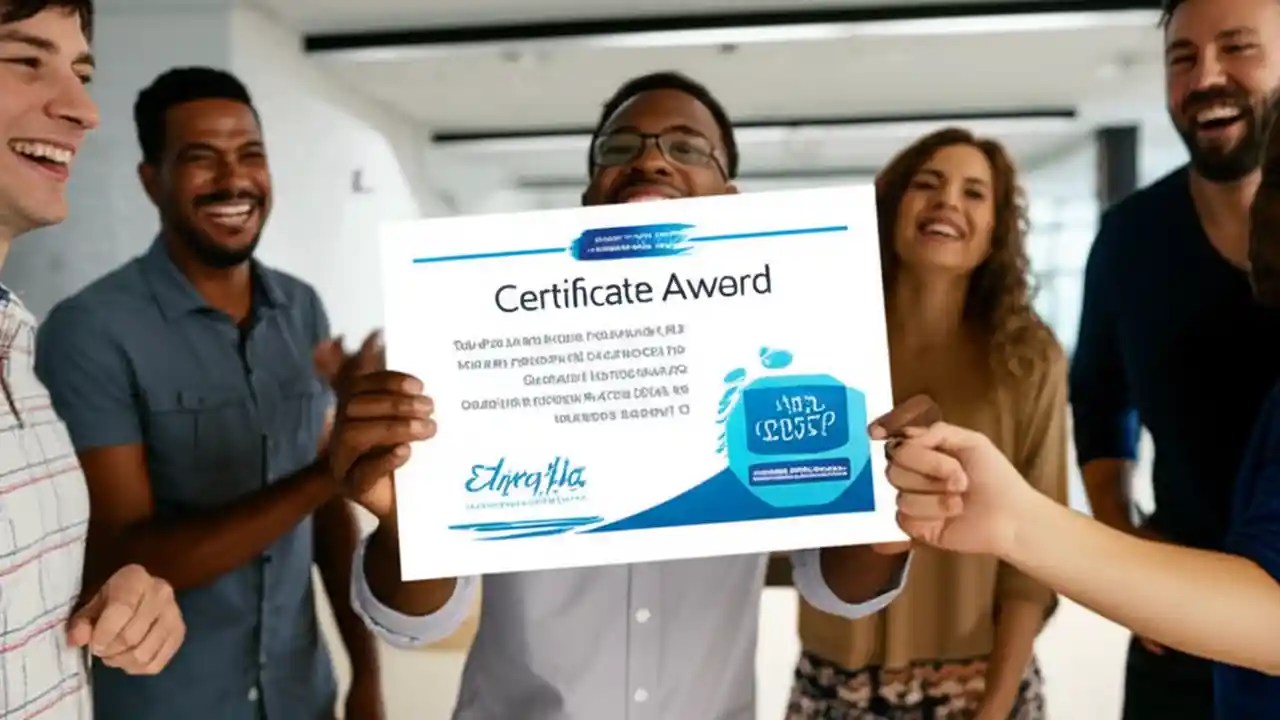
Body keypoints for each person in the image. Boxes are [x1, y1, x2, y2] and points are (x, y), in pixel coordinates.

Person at [344, 71, 914, 720]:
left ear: (730, 198)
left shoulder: (788, 353)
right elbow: (417, 621)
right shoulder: (490, 349)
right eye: (620, 148)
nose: (648, 159)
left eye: (687, 147)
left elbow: (838, 589)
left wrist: (886, 511)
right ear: (591, 194)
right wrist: (403, 525)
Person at [33, 67, 384, 720]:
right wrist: (327, 473)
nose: (234, 179)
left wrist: (366, 675)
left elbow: (325, 521)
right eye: (202, 159)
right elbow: (125, 554)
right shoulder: (91, 330)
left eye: (251, 155)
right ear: (151, 180)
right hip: (168, 705)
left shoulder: (300, 309)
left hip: (301, 697)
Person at [787, 129, 1067, 720]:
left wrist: (995, 705)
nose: (948, 204)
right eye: (928, 185)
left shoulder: (1028, 358)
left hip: (976, 683)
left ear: (995, 232)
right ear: (891, 210)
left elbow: (1035, 554)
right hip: (833, 679)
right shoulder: (818, 340)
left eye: (974, 194)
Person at [1069, 0, 1280, 715]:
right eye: (1182, 58)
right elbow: (1098, 400)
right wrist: (1118, 532)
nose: (1206, 76)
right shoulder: (1130, 240)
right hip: (1178, 619)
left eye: (1238, 48)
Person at [0, 1, 189, 716]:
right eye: (25, 60)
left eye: (80, 72)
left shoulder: (20, 348)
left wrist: (121, 600)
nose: (84, 109)